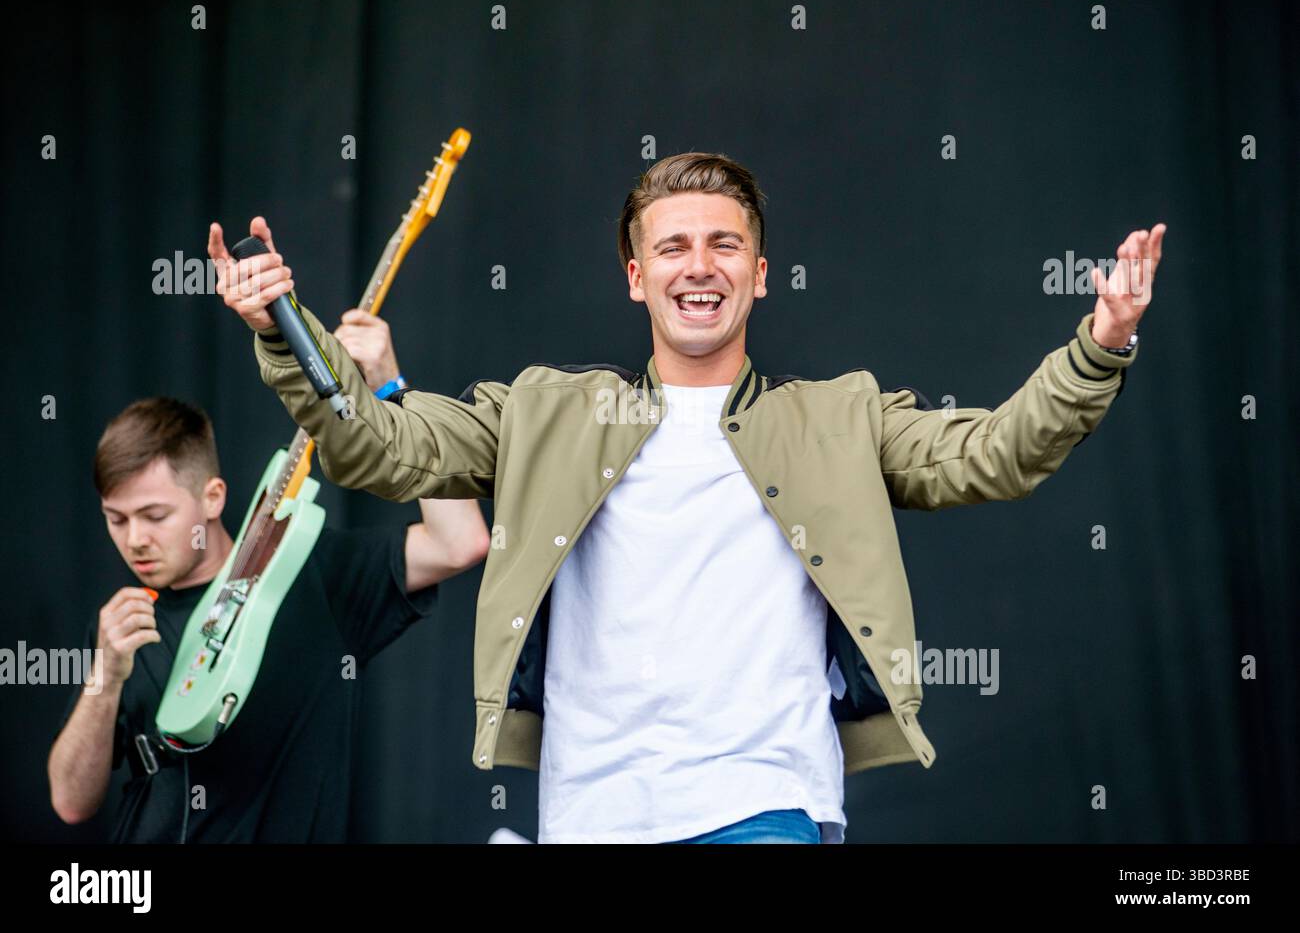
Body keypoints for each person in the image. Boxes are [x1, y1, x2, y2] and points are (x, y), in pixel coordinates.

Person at [213, 156, 1164, 844]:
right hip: (592, 811)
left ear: (759, 273)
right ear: (636, 277)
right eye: (670, 247)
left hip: (765, 804)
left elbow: (997, 452)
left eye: (723, 244)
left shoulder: (839, 415)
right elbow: (382, 443)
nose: (696, 264)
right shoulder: (548, 411)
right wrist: (279, 327)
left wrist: (1102, 342)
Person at [47, 313, 490, 842]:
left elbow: (459, 542)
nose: (134, 538)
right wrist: (105, 677)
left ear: (213, 497)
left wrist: (389, 388)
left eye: (155, 515)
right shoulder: (124, 629)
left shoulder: (316, 574)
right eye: (116, 520)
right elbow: (71, 802)